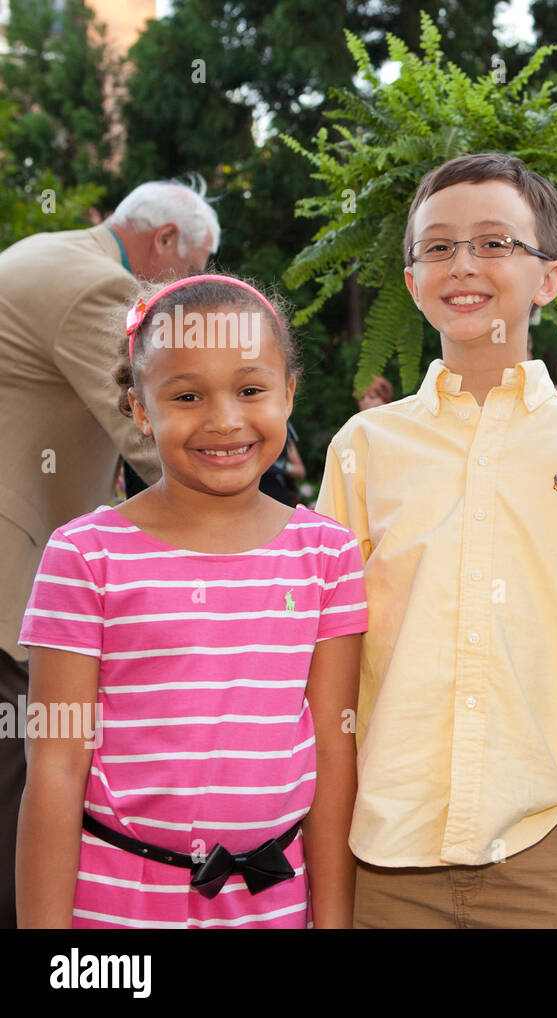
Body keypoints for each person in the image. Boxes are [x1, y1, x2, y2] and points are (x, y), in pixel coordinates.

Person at [315, 153, 557, 929]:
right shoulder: (363, 448)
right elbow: (326, 658)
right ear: (411, 283)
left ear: (548, 278)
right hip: (383, 849)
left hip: (548, 850)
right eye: (437, 247)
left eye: (494, 243)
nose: (463, 264)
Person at [15, 275, 367, 929]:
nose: (225, 420)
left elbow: (332, 750)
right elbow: (56, 767)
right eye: (186, 395)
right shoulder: (85, 556)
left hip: (273, 904)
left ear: (289, 393)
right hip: (114, 905)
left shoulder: (328, 557)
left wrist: (335, 922)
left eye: (251, 389)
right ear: (140, 408)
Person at [0, 178, 218, 928]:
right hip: (11, 599)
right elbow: (154, 431)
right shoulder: (101, 287)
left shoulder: (46, 253)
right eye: (199, 263)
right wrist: (256, 534)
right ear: (163, 243)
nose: (193, 289)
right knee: (21, 822)